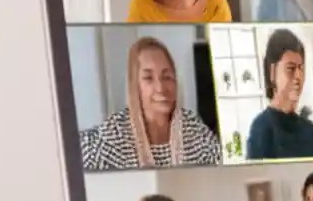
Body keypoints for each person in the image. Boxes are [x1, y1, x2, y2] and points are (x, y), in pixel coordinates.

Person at [79, 36, 222, 171]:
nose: (160, 88)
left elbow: (220, 159)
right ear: (135, 86)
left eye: (167, 77)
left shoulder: (193, 127)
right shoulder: (113, 134)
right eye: (148, 78)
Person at [247, 29, 313, 160]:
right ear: (272, 72)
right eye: (290, 68)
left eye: (301, 68)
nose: (298, 76)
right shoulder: (262, 129)